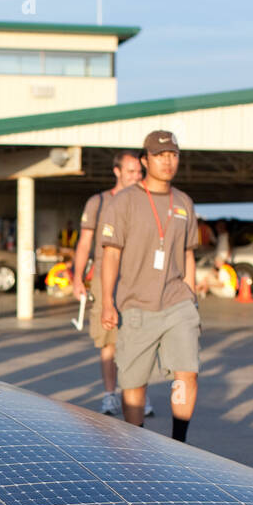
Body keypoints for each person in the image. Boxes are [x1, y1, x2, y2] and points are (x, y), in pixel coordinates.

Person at [99, 130, 200, 442]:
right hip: (136, 305)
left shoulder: (183, 202)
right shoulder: (125, 201)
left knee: (187, 372)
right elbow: (111, 254)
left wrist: (192, 296)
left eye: (173, 155)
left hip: (177, 301)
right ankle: (136, 445)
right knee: (134, 383)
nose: (168, 161)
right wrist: (107, 301)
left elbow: (188, 254)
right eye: (160, 155)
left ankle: (180, 445)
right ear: (145, 160)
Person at [71, 150, 153, 417]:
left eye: (139, 172)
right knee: (109, 341)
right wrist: (77, 277)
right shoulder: (99, 202)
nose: (136, 176)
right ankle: (109, 395)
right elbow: (84, 242)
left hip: (138, 278)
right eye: (130, 172)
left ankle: (138, 393)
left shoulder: (147, 201)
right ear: (117, 171)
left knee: (141, 338)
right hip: (106, 277)